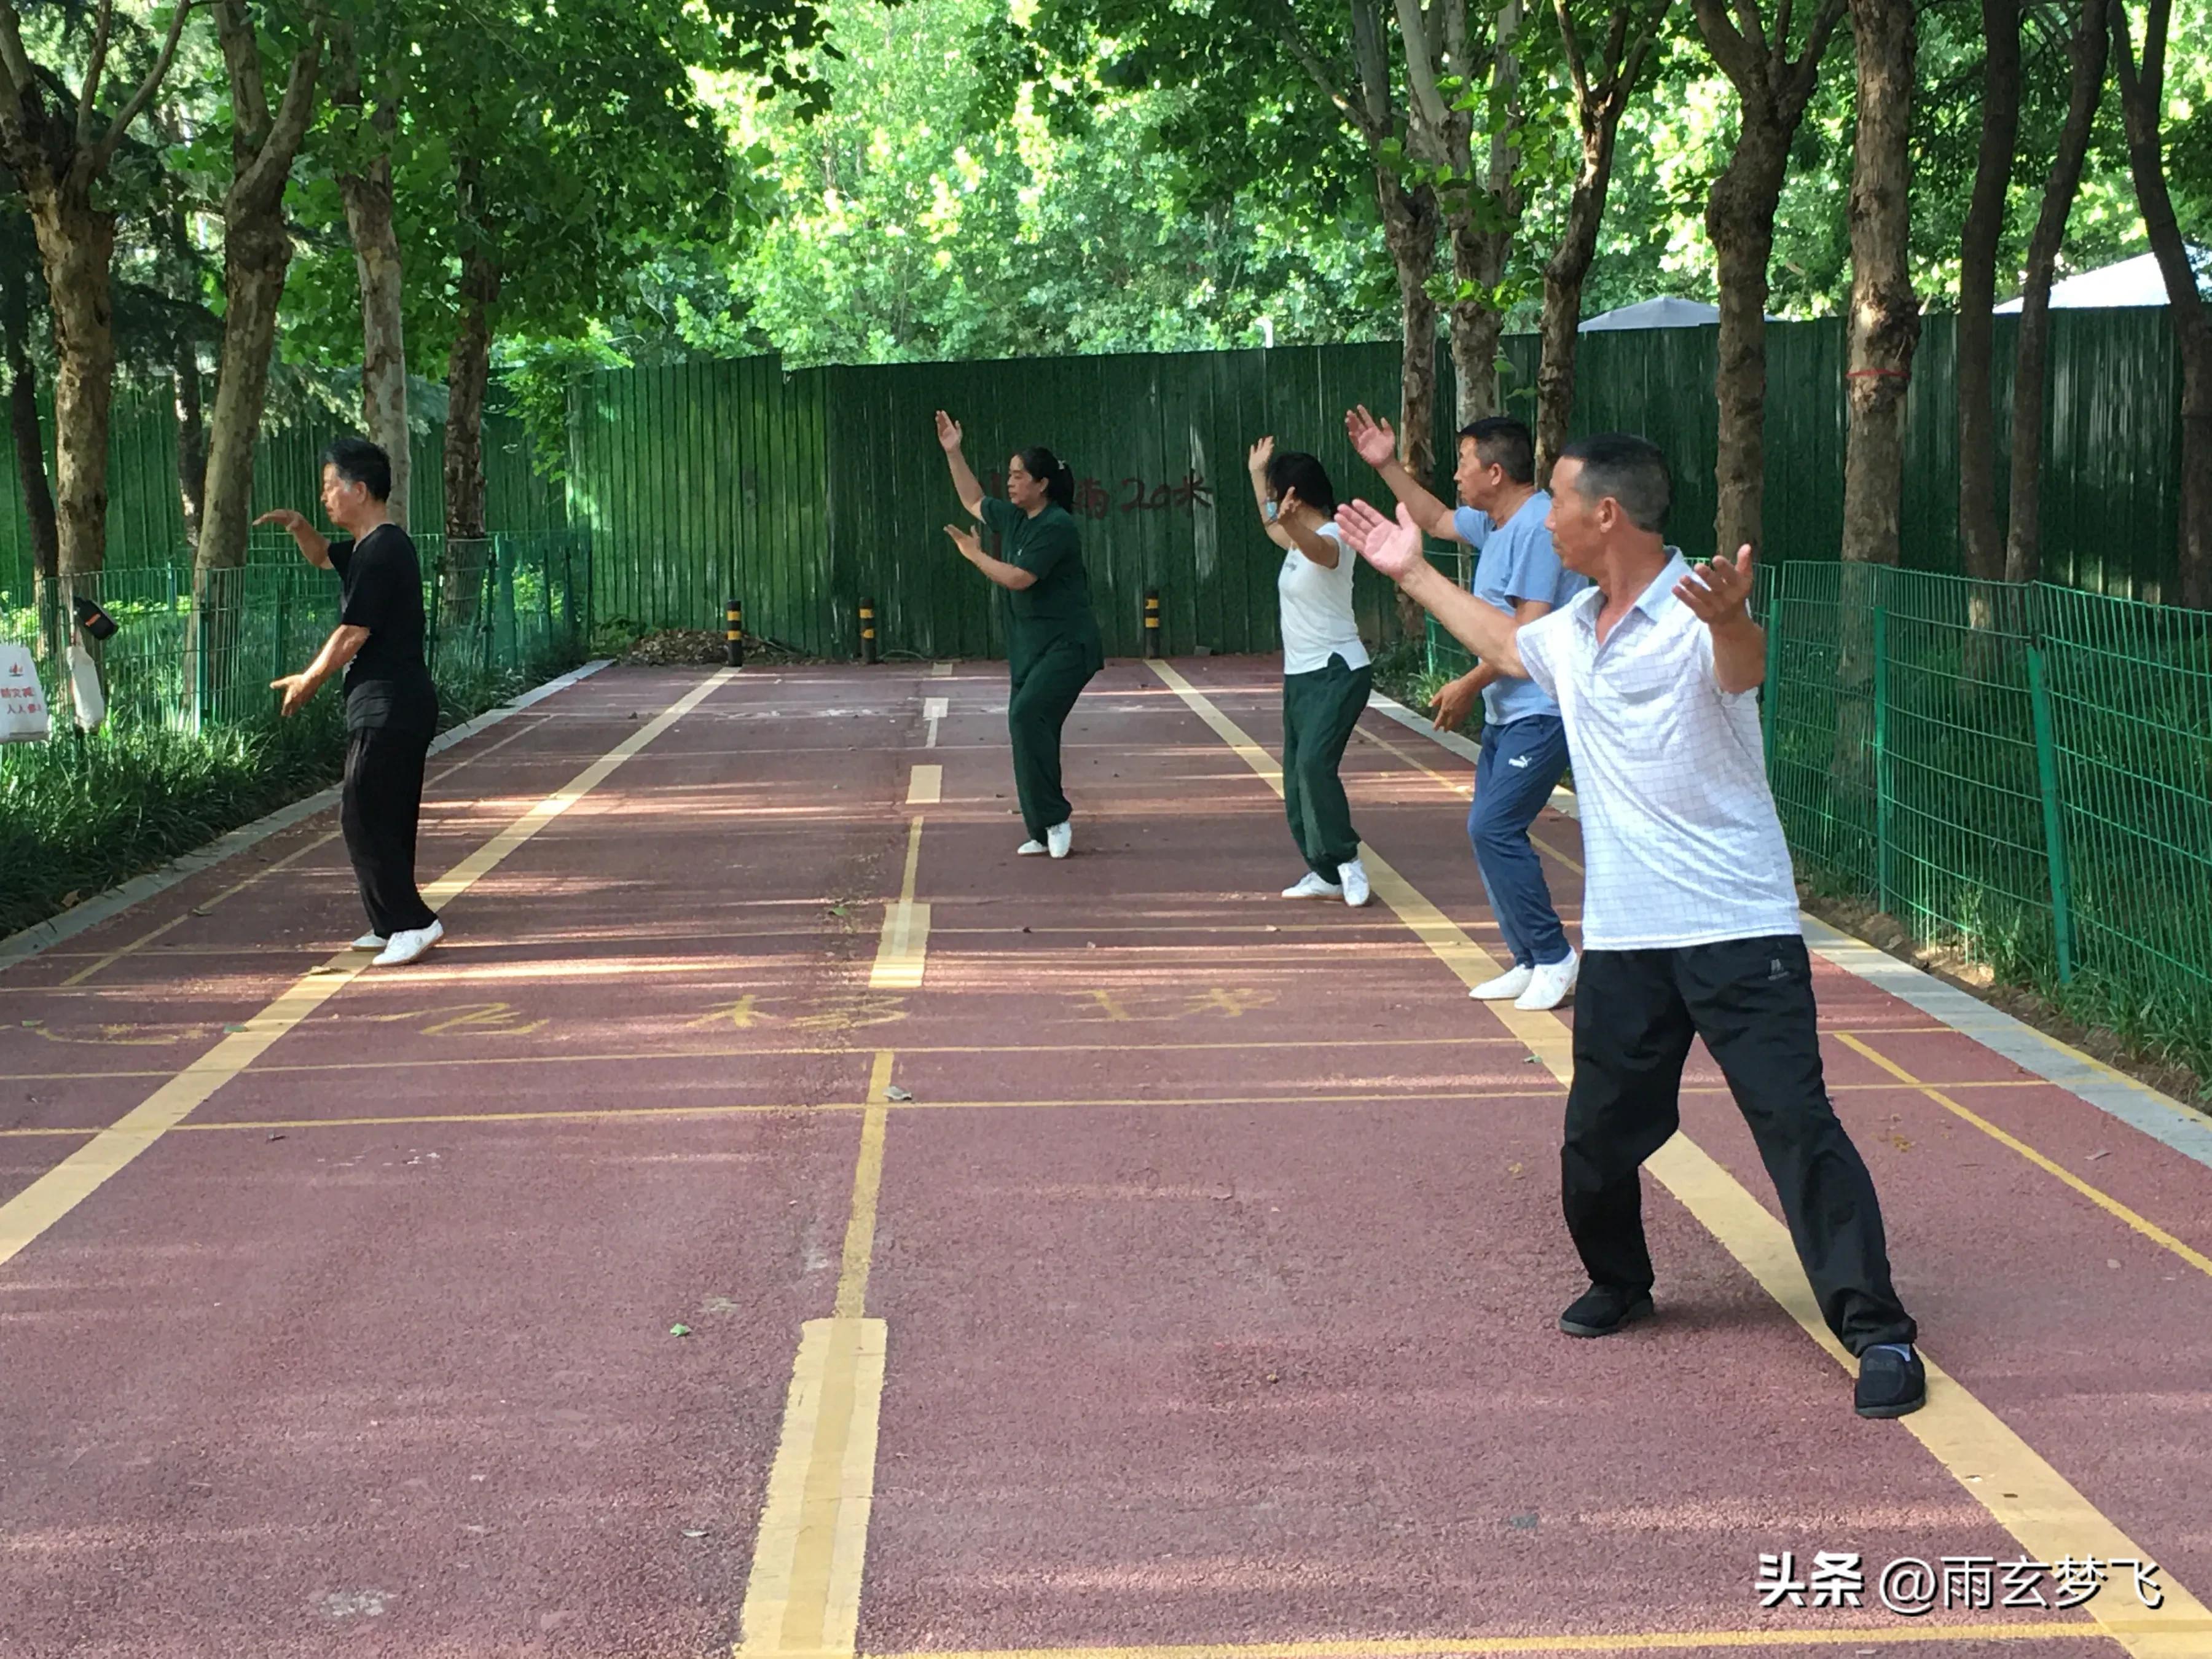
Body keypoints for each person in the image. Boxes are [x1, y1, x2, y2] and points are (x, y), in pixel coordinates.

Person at [1336, 432, 1926, 1421]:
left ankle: (1878, 1331)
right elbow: (1505, 645)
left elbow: (1742, 667)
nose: (1543, 520)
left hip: (1739, 929)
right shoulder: (1573, 627)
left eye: (1556, 503)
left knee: (1795, 1125)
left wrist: (1738, 624)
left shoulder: (1701, 606)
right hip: (1626, 938)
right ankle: (1623, 1282)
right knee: (1598, 1139)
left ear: (1605, 514)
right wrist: (1409, 570)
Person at [1347, 407, 1586, 1011]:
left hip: (1544, 707)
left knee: (1493, 826)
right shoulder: (1498, 523)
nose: (1456, 475)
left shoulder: (1535, 529)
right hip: (1510, 710)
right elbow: (1430, 517)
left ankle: (1555, 956)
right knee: (1487, 831)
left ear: (1496, 471)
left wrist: (1468, 684)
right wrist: (1386, 464)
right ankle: (1529, 957)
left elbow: (1523, 638)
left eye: (1463, 463)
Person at [259, 438, 444, 967]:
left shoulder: (385, 549)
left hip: (390, 702)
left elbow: (354, 632)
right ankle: (390, 923)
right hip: (390, 702)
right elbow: (322, 557)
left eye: (329, 487)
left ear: (359, 490)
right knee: (382, 813)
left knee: (361, 811)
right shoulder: (368, 547)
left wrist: (309, 679)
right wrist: (297, 524)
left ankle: (413, 921)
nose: (324, 497)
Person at [936, 412, 1104, 858]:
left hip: (1070, 646)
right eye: (1008, 475)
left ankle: (1055, 818)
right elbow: (973, 500)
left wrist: (973, 555)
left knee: (1029, 716)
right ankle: (1041, 825)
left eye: (1018, 476)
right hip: (1029, 648)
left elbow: (1019, 578)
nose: (1010, 483)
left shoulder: (1057, 527)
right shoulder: (1013, 518)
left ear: (1042, 483)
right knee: (1030, 727)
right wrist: (954, 452)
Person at [1246, 437, 1373, 908]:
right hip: (1300, 676)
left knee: (1316, 766)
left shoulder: (1336, 538)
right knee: (1296, 778)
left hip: (1338, 671)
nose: (1275, 503)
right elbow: (1274, 528)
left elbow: (1319, 550)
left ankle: (1347, 860)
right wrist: (1258, 474)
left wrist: (1289, 521)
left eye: (1280, 493)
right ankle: (1324, 872)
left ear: (1296, 496)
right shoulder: (1292, 538)